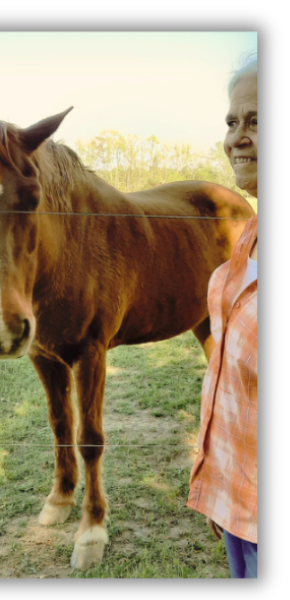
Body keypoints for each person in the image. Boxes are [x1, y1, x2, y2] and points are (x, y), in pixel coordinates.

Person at [187, 55, 257, 579]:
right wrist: (219, 482)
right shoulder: (248, 239)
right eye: (232, 122)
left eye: (258, 122)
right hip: (236, 500)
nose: (238, 137)